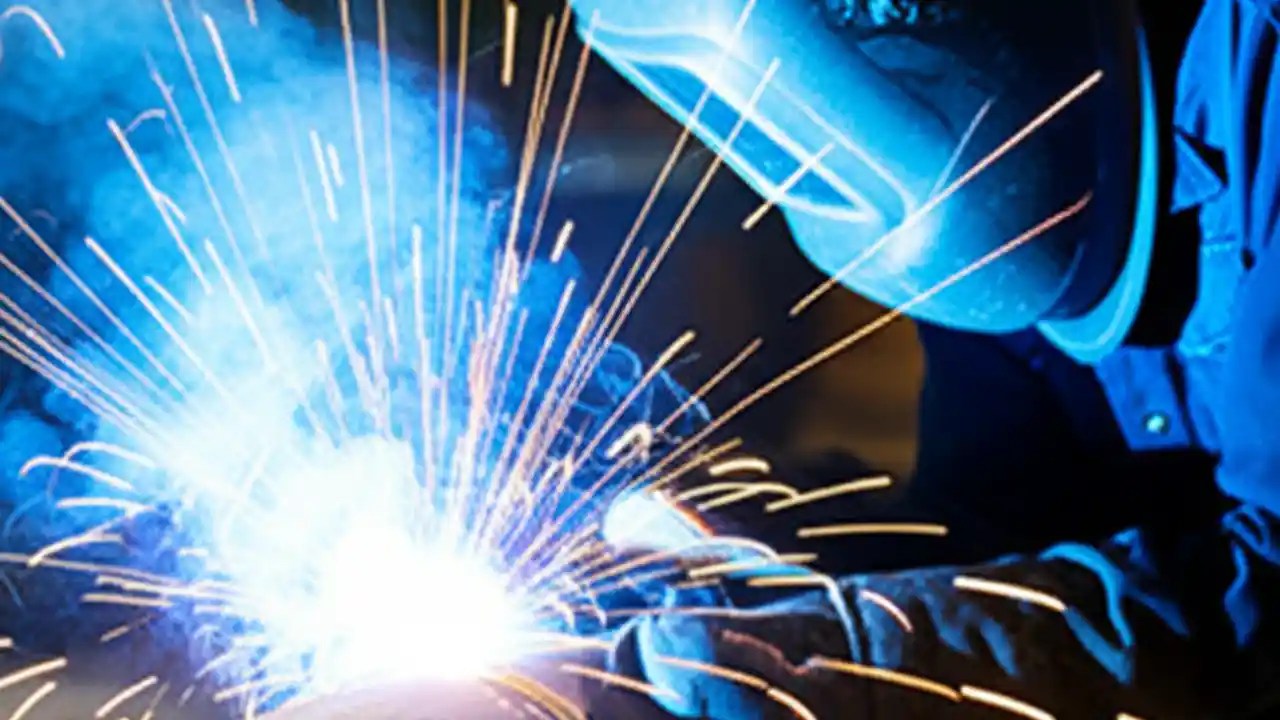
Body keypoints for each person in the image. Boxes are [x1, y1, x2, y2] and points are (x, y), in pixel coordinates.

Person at [563, 0, 1280, 717]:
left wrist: (860, 667)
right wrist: (786, 573)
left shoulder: (1255, 71)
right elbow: (1015, 523)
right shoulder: (991, 178)